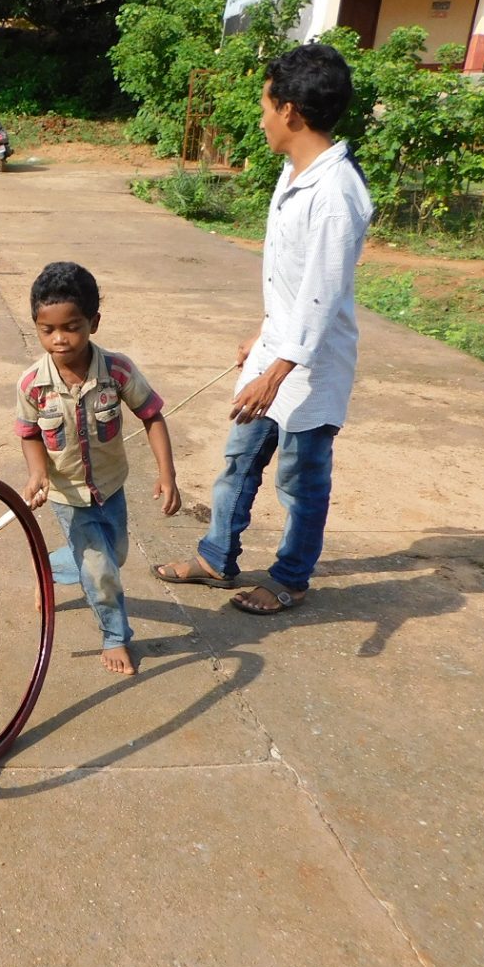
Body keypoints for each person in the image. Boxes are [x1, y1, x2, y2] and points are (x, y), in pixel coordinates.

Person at [152, 44, 372, 615]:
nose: (261, 117)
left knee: (302, 483)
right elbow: (292, 278)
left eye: (265, 105)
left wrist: (277, 370)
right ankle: (216, 556)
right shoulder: (296, 171)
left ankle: (291, 579)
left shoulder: (335, 194)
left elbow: (323, 295)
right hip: (277, 351)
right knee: (237, 464)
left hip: (307, 369)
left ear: (291, 110)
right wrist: (265, 334)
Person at [18, 261, 180, 675]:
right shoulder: (31, 385)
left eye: (71, 327)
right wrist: (37, 474)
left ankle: (47, 568)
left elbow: (152, 416)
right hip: (68, 495)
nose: (58, 339)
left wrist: (168, 474)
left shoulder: (118, 371)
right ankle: (115, 637)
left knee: (116, 555)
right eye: (46, 329)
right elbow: (29, 433)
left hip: (111, 487)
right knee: (102, 572)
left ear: (94, 323)